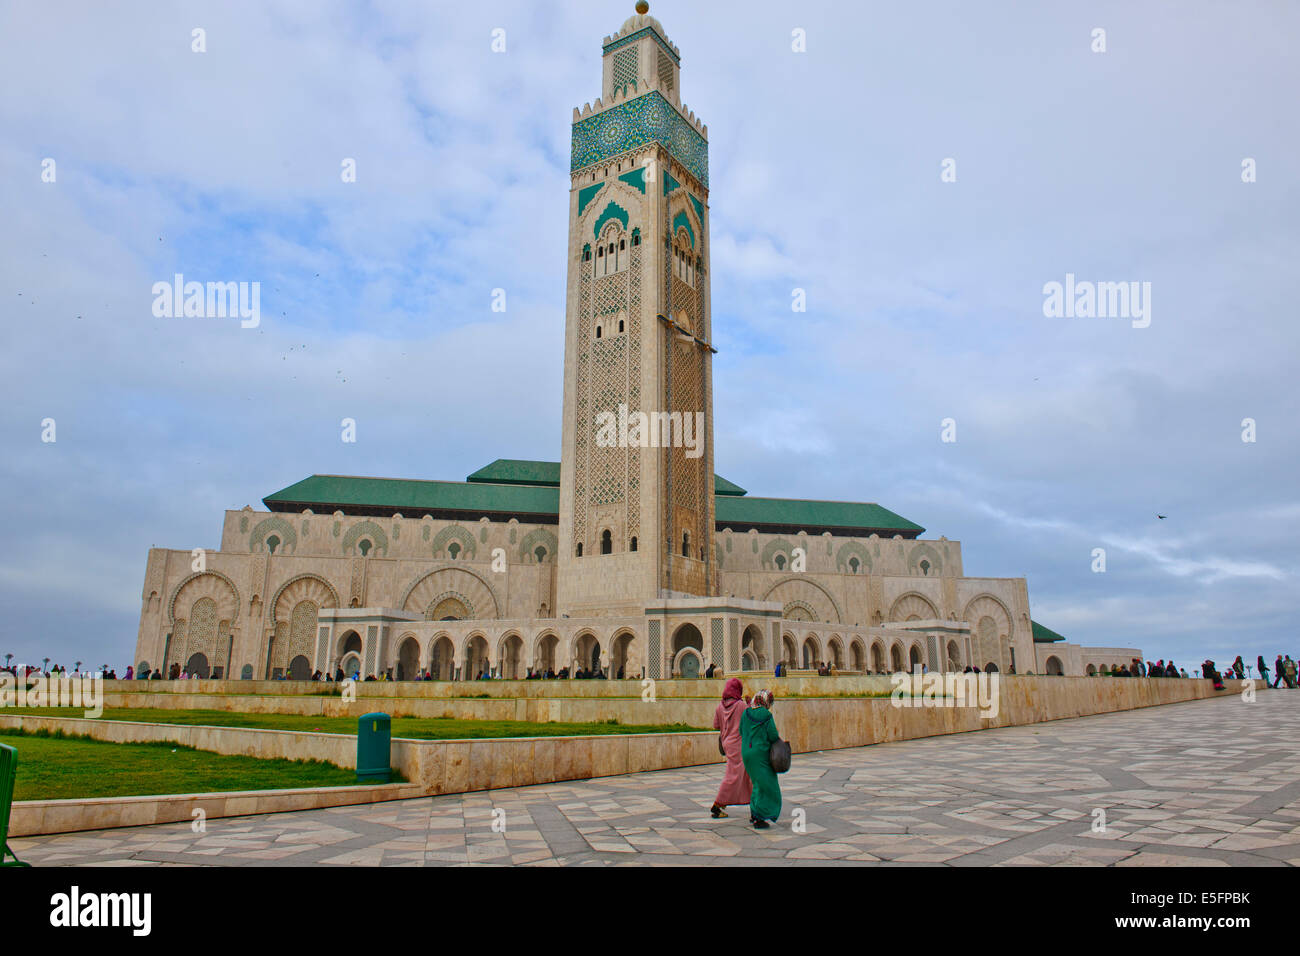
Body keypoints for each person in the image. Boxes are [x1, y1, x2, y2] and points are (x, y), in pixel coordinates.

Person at [710, 677, 752, 819]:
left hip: (727, 743)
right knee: (733, 775)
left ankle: (753, 802)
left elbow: (716, 725)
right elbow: (750, 718)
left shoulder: (720, 706)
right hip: (738, 745)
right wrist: (749, 704)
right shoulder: (740, 706)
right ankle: (718, 804)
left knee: (744, 774)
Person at [740, 688, 782, 830]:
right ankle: (760, 816)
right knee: (767, 785)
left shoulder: (746, 712)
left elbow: (741, 731)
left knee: (757, 783)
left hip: (746, 753)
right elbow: (773, 736)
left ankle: (754, 813)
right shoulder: (766, 714)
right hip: (760, 754)